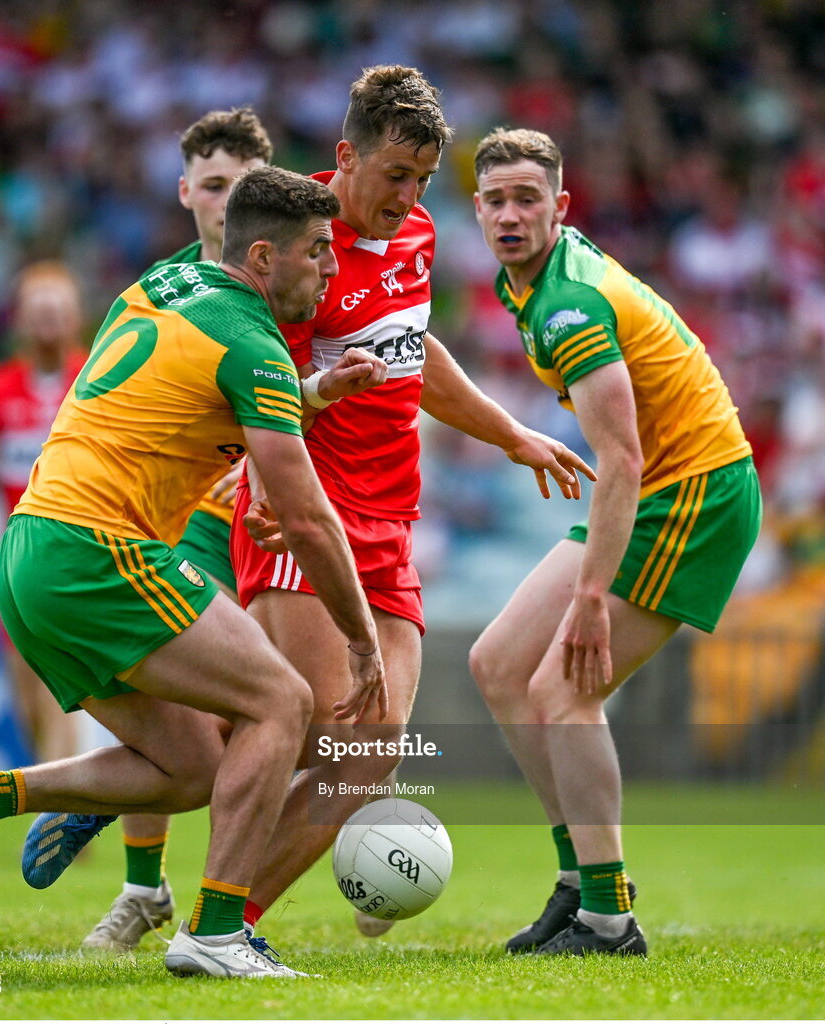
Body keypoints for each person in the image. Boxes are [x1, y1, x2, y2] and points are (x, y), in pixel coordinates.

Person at [0, 166, 389, 981]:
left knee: (190, 767)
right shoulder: (253, 341)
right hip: (97, 550)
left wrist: (312, 392)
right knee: (283, 701)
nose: (331, 269)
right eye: (316, 252)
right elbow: (306, 518)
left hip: (32, 553)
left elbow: (192, 392)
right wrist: (362, 640)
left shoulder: (167, 280)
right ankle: (217, 934)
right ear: (264, 257)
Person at [229, 67, 594, 945]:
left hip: (390, 522)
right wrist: (267, 477)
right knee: (331, 745)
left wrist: (511, 434)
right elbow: (254, 380)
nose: (409, 197)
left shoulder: (417, 234)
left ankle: (225, 902)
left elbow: (413, 350)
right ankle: (214, 903)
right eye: (396, 175)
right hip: (306, 515)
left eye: (424, 179)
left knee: (370, 753)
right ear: (347, 156)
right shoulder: (298, 242)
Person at [468, 128, 762, 956]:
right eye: (496, 201)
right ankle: (577, 881)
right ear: (478, 209)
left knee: (564, 691)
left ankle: (609, 918)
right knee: (497, 665)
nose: (511, 215)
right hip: (651, 487)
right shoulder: (529, 282)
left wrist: (592, 595)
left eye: (528, 200)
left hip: (691, 494)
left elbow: (624, 458)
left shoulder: (568, 304)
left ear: (560, 207)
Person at [20, 107, 275, 954]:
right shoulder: (166, 288)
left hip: (273, 516)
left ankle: (162, 853)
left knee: (271, 709)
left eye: (242, 185)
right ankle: (147, 891)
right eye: (213, 185)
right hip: (187, 519)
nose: (227, 200)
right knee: (217, 699)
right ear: (185, 193)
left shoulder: (288, 273)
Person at [0, 261, 89, 762]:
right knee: (28, 707)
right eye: (39, 310)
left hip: (79, 555)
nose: (50, 319)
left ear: (76, 317)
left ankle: (60, 808)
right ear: (20, 319)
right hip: (15, 564)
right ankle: (64, 795)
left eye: (59, 309)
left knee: (59, 700)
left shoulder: (97, 377)